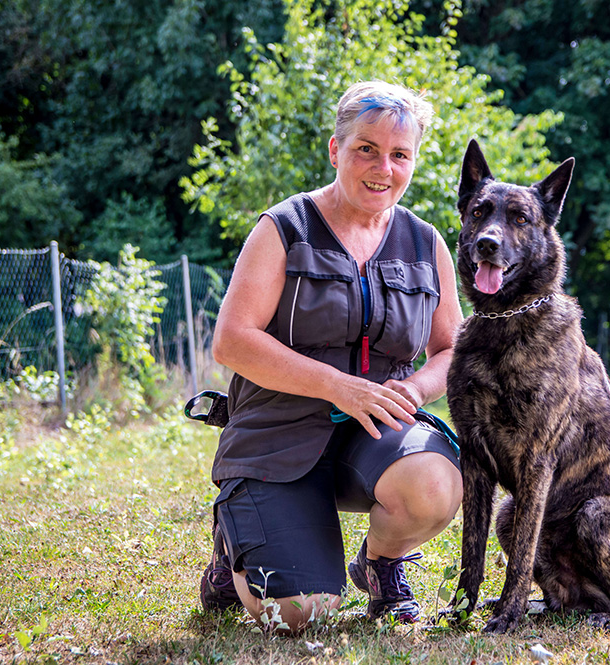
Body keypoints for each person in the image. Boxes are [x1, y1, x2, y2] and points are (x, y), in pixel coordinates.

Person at [199, 80, 464, 632]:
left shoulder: (425, 242)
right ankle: (233, 553)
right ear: (335, 149)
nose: (382, 167)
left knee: (437, 484)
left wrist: (414, 391)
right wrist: (335, 385)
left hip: (378, 433)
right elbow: (232, 339)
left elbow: (452, 349)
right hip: (276, 432)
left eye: (399, 154)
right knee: (303, 613)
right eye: (365, 148)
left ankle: (381, 565)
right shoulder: (284, 228)